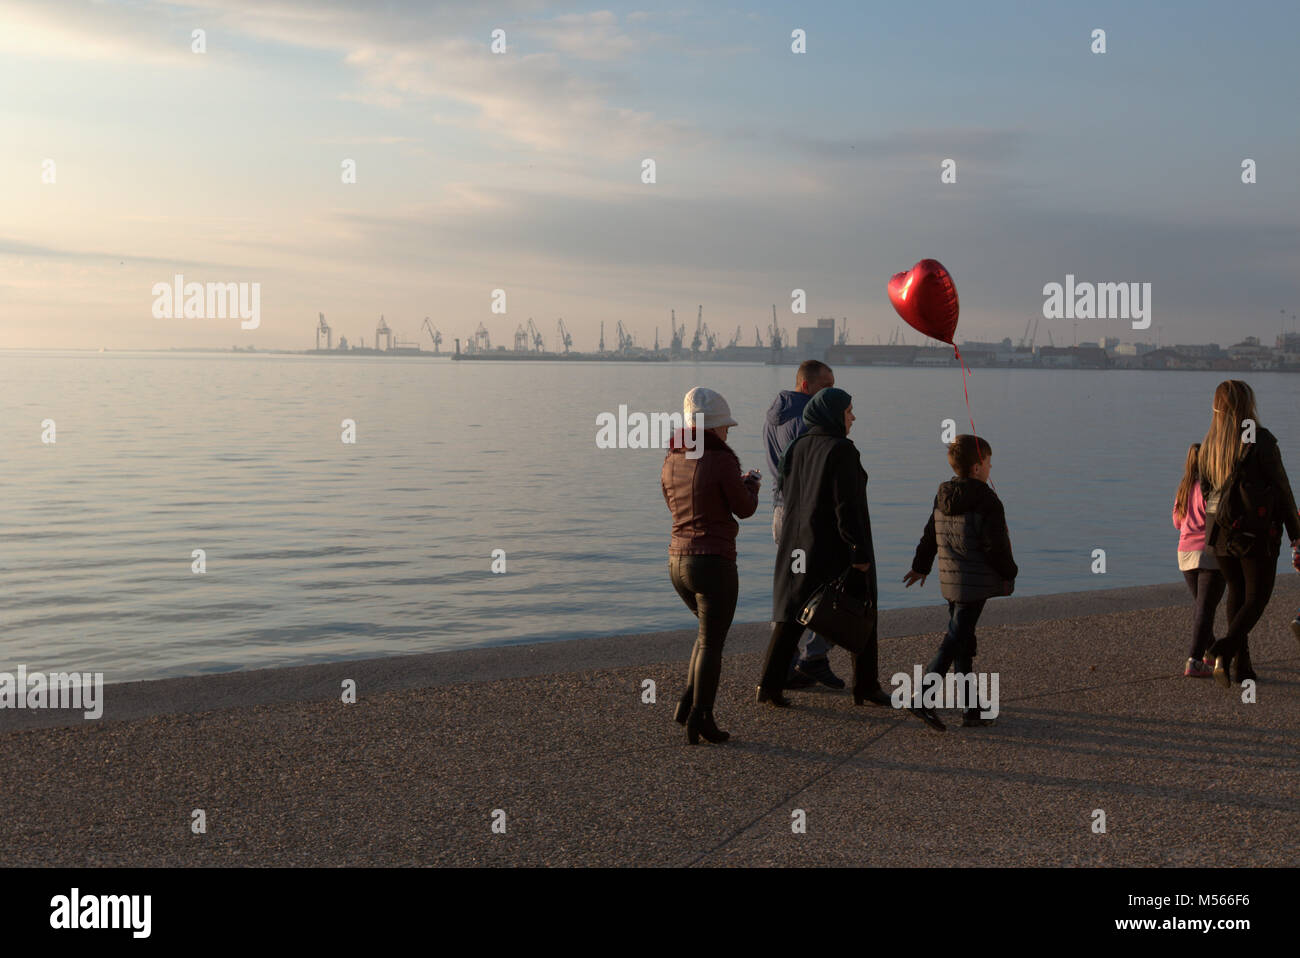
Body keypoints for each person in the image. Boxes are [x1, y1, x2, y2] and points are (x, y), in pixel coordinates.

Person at [756, 387, 893, 708]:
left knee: (791, 616)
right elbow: (848, 506)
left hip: (797, 544)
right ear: (834, 415)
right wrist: (858, 554)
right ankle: (866, 686)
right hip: (833, 549)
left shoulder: (797, 447)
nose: (853, 417)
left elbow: (786, 493)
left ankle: (769, 685)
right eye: (849, 411)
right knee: (863, 611)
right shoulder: (842, 450)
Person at [662, 387, 760, 744]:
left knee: (705, 636)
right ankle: (702, 719)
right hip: (712, 563)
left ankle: (687, 704)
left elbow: (672, 503)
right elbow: (744, 508)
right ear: (715, 428)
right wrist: (752, 487)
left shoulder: (672, 457)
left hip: (676, 561)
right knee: (712, 643)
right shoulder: (722, 460)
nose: (727, 433)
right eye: (726, 428)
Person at [903, 435, 1017, 731]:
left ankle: (971, 708)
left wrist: (920, 566)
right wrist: (1010, 571)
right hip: (974, 583)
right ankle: (922, 697)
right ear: (978, 467)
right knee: (955, 639)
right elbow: (995, 546)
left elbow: (930, 533)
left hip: (951, 580)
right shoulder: (987, 499)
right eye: (989, 463)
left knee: (963, 639)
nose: (991, 468)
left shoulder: (943, 494)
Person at [1199, 381, 1300, 687]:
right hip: (1257, 535)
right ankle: (1222, 650)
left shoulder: (1209, 444)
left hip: (1219, 534)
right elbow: (1282, 490)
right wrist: (1296, 532)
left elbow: (1205, 491)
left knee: (1237, 594)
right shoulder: (1261, 440)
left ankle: (1243, 668)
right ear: (1248, 404)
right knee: (1257, 598)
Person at [763, 360, 844, 691]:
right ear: (806, 386)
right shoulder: (806, 424)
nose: (832, 392)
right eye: (826, 386)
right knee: (830, 586)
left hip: (781, 513)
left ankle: (786, 663)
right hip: (806, 517)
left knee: (790, 590)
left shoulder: (774, 416)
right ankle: (813, 657)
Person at [1172, 443, 1224, 678]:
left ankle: (1212, 655)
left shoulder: (1183, 488)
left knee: (1203, 608)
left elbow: (1176, 521)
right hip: (1208, 554)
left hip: (1185, 554)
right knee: (1205, 609)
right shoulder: (1210, 488)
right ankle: (1194, 660)